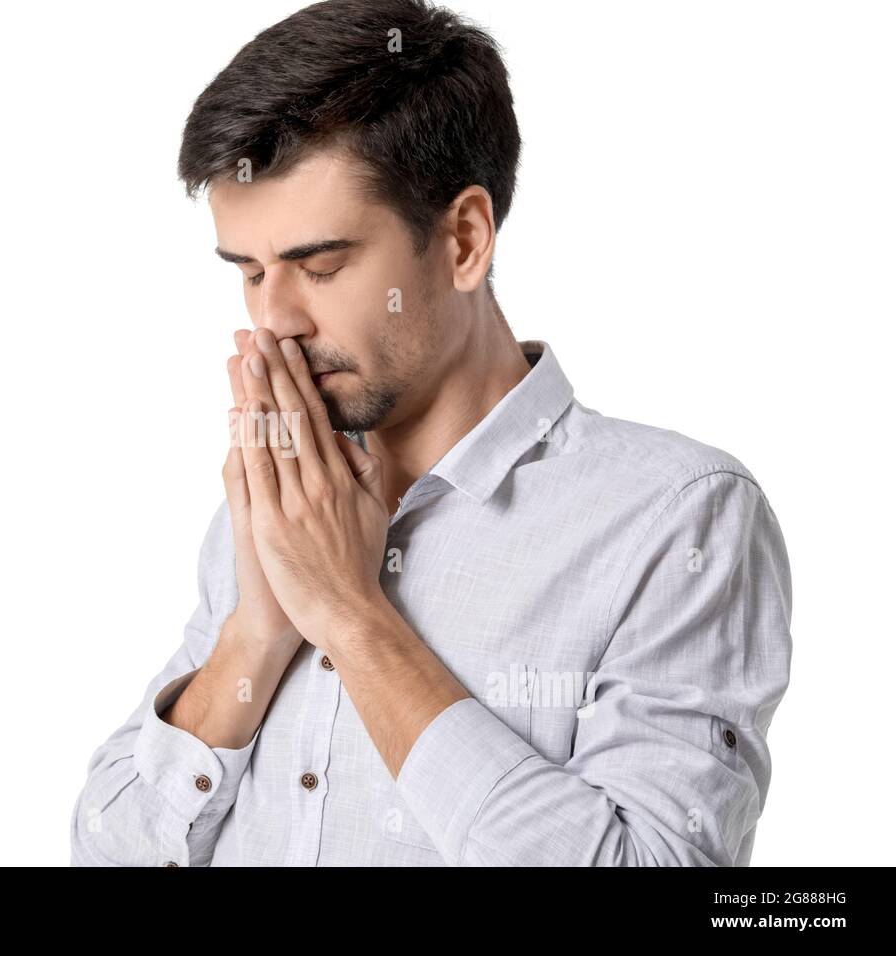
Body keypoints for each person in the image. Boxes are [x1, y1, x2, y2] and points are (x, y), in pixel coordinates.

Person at [70, 0, 792, 866]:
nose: (275, 320)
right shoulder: (279, 506)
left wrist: (348, 612)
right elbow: (108, 851)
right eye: (251, 273)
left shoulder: (677, 520)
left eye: (321, 266)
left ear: (463, 240)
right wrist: (257, 631)